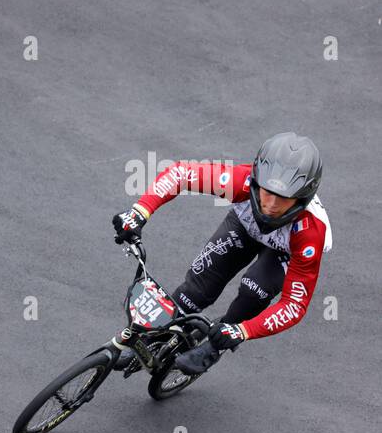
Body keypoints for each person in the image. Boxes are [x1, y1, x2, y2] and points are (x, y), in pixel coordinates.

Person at [111, 132, 330, 374]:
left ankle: (215, 348)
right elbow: (180, 174)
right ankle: (157, 335)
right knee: (196, 288)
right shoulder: (242, 181)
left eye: (283, 199)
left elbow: (294, 305)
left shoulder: (311, 233)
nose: (270, 205)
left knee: (253, 289)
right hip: (246, 227)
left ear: (302, 199)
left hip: (284, 250)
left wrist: (242, 331)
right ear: (255, 181)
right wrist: (140, 212)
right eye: (266, 192)